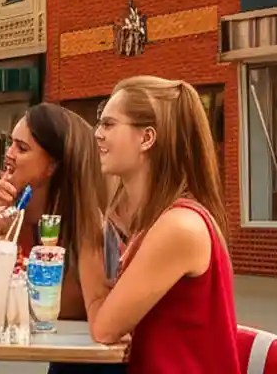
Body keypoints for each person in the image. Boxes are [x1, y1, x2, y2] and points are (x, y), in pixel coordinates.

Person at [88, 76, 240, 374]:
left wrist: (85, 239)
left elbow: (105, 328)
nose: (97, 134)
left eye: (108, 124)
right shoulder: (156, 220)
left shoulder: (179, 226)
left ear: (146, 138)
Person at [0, 103, 128, 374]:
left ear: (52, 166)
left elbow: (52, 309)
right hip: (66, 362)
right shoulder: (18, 219)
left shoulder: (87, 225)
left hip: (101, 364)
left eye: (22, 148)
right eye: (10, 144)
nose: (8, 155)